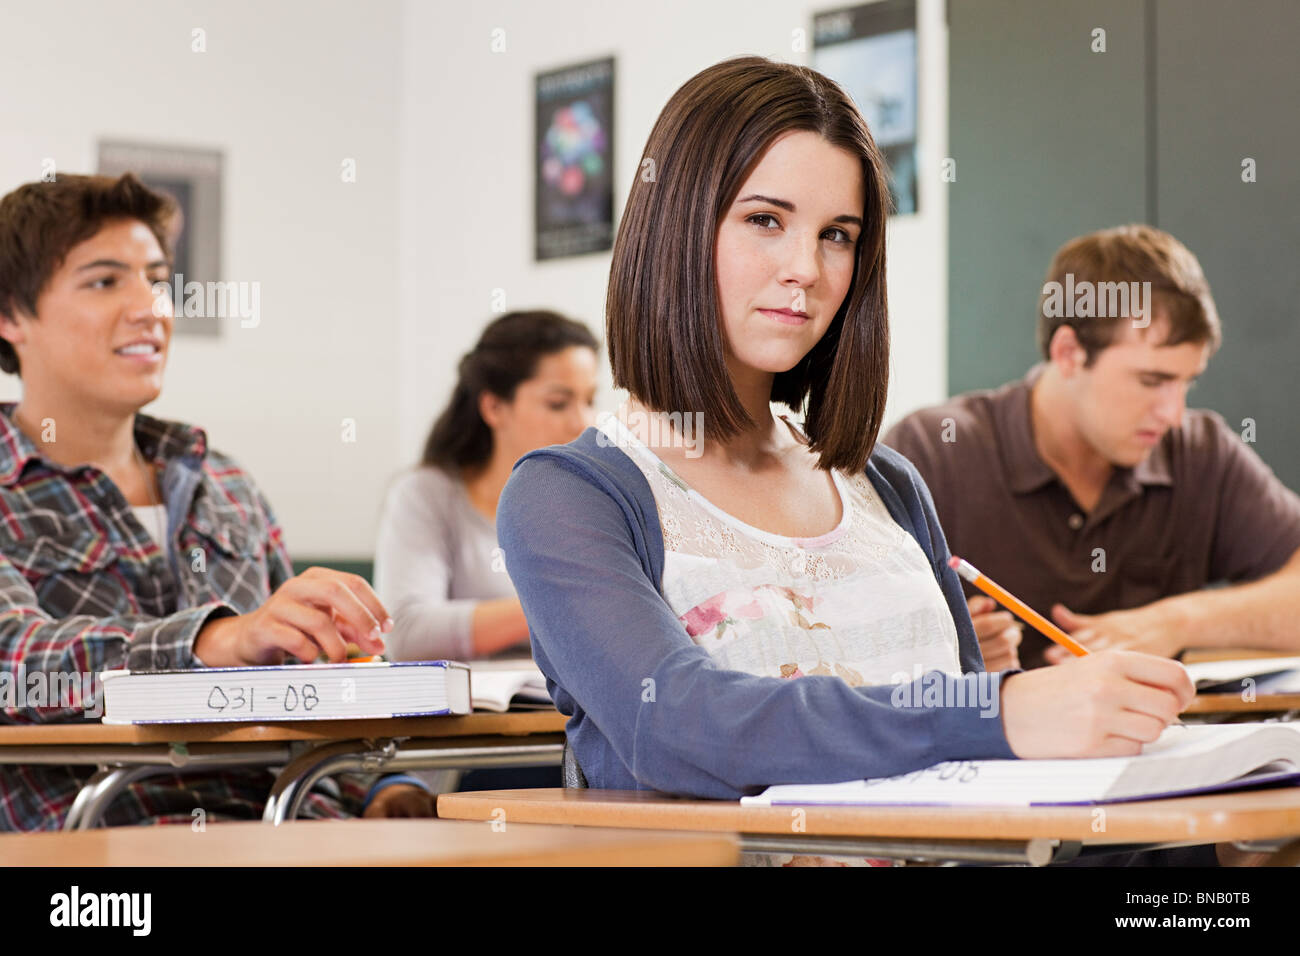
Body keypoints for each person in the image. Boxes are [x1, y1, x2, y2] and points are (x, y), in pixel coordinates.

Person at [496, 56, 1194, 833]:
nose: (806, 269)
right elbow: (679, 725)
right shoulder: (568, 494)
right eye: (766, 220)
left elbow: (974, 761)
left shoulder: (887, 483)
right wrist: (998, 712)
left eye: (838, 235)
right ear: (677, 229)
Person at [0, 172, 419, 828]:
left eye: (158, 280)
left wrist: (383, 785)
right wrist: (216, 641)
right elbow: (13, 659)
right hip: (110, 842)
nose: (151, 308)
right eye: (106, 281)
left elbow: (320, 668)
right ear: (10, 315)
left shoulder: (226, 484)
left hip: (295, 825)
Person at [884, 225, 1300, 670]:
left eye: (1186, 383)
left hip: (1168, 738)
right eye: (1152, 381)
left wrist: (1175, 621)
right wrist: (946, 657)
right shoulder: (930, 451)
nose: (1174, 415)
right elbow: (839, 638)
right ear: (1068, 353)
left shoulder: (1202, 453)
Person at [373, 311, 598, 663]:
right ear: (494, 407)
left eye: (589, 401)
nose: (583, 423)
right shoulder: (424, 495)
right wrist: (565, 605)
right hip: (476, 715)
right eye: (558, 403)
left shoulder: (588, 504)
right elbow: (405, 633)